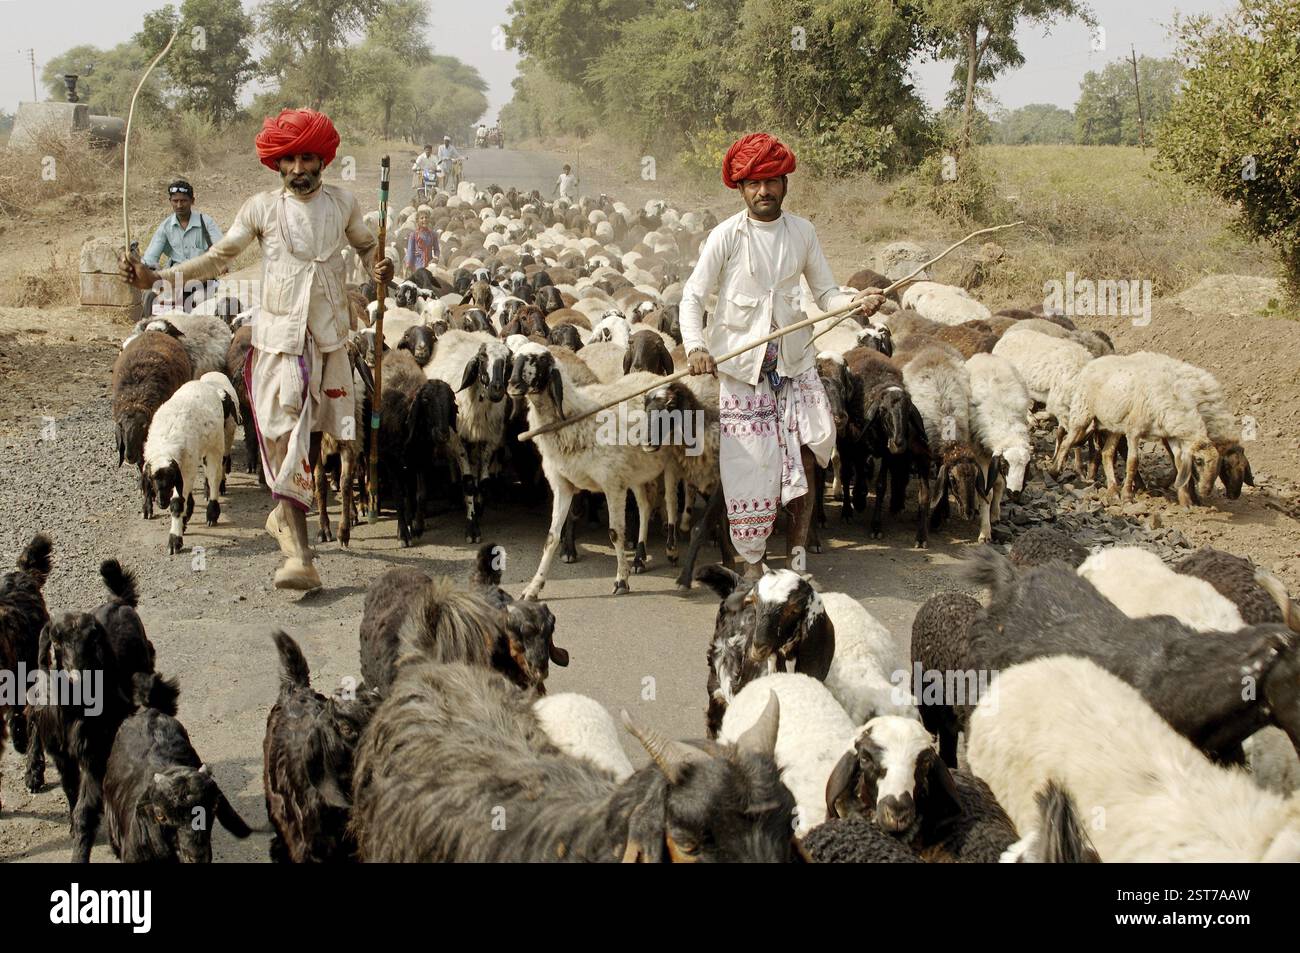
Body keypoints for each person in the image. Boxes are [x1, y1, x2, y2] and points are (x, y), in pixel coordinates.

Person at [119, 108, 394, 591]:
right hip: (277, 345)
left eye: (309, 157)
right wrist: (159, 277)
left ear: (323, 161)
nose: (300, 169)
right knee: (286, 436)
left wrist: (381, 267)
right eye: (290, 160)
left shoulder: (345, 204)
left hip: (330, 343)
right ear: (278, 164)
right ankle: (300, 556)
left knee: (318, 440)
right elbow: (219, 257)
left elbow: (370, 249)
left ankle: (284, 521)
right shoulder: (260, 208)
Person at [679, 133, 885, 580]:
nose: (763, 191)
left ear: (785, 183)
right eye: (753, 183)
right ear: (740, 188)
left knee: (809, 453)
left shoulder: (802, 232)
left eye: (771, 181)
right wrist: (696, 347)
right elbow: (692, 298)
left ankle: (796, 561)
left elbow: (826, 292)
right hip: (742, 373)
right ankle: (754, 564)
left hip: (794, 367)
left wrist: (855, 301)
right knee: (750, 466)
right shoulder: (726, 237)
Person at [141, 179, 223, 312]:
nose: (179, 205)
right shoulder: (166, 226)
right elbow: (150, 258)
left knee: (200, 303)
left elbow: (222, 249)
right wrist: (142, 268)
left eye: (183, 201)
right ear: (170, 202)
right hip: (175, 280)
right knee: (150, 298)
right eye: (175, 201)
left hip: (202, 280)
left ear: (192, 201)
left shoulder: (206, 222)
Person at [405, 208, 440, 274]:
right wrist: (408, 265)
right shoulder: (413, 235)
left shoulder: (433, 234)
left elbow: (437, 249)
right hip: (417, 265)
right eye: (422, 218)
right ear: (417, 221)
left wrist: (436, 258)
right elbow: (410, 251)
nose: (424, 219)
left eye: (426, 217)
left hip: (430, 265)